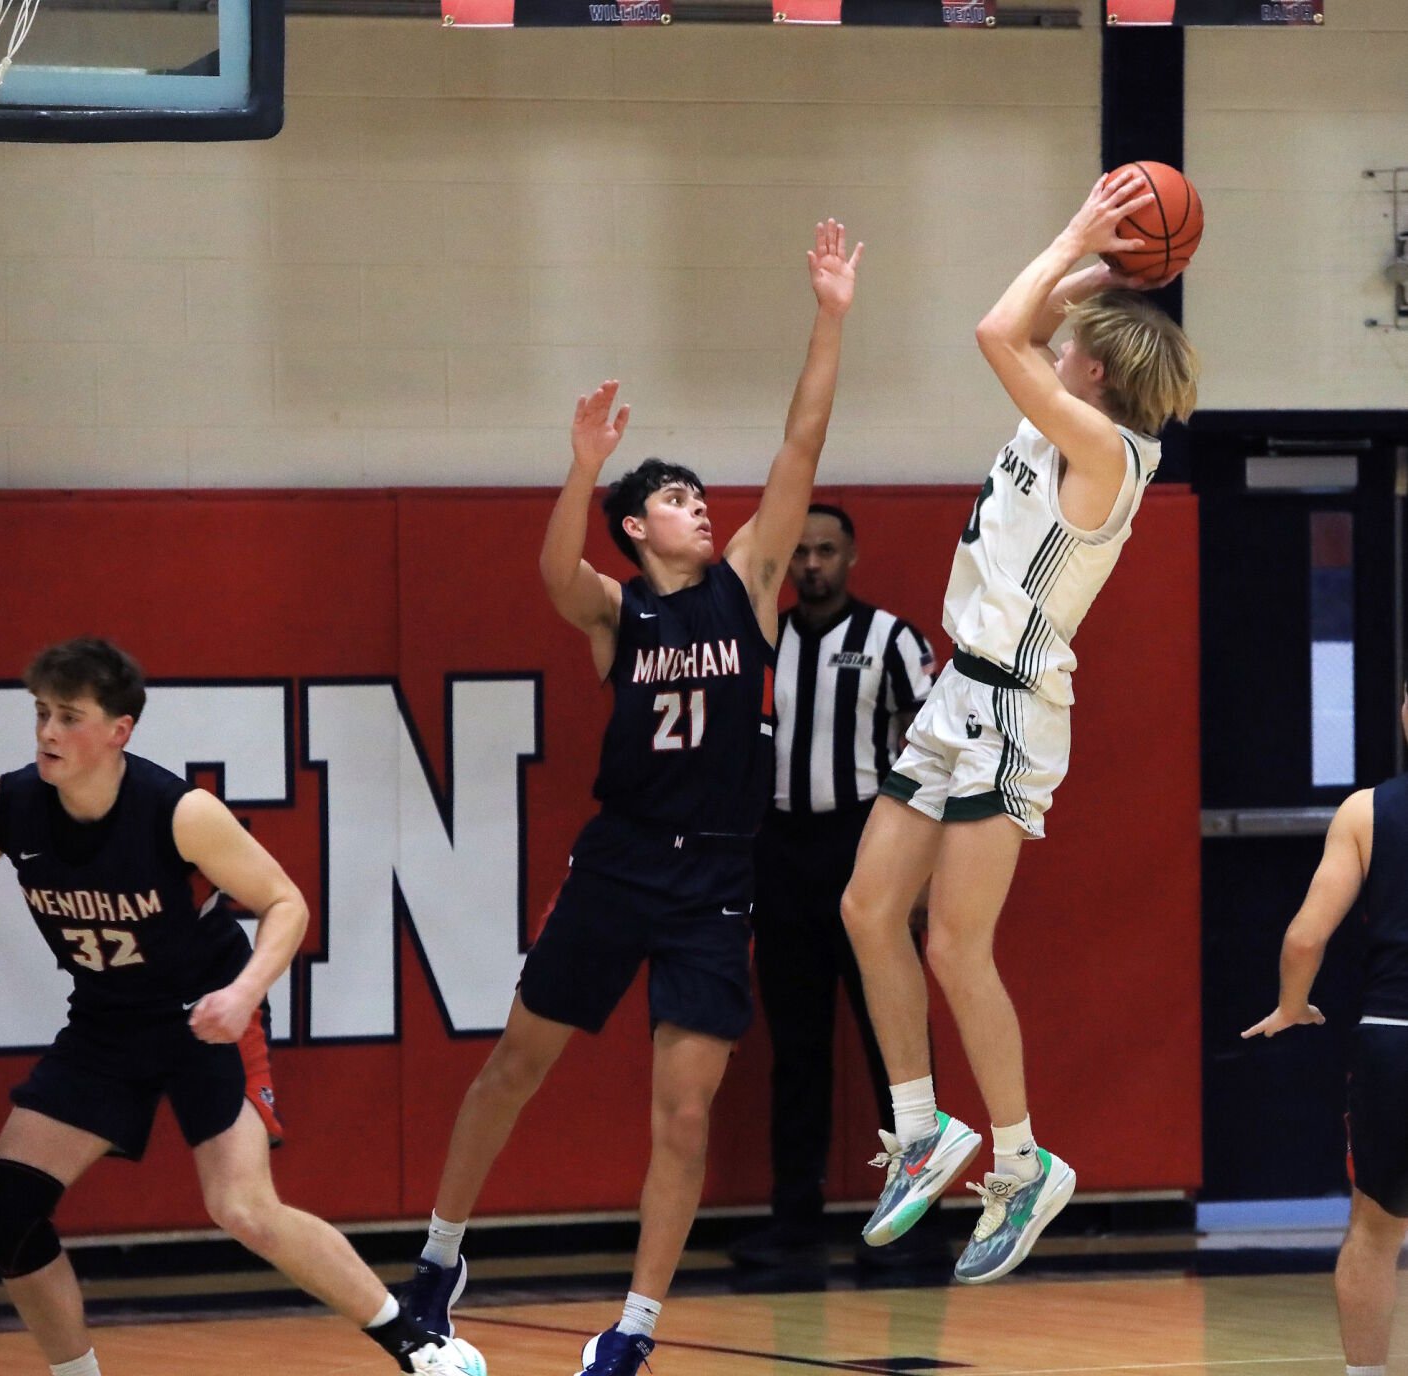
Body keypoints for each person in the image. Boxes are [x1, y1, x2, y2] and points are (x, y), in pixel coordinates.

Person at [401, 219, 862, 1376]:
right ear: (635, 525)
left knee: (684, 1108)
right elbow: (554, 575)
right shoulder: (620, 611)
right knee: (515, 1059)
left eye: (704, 497)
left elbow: (802, 438)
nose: (701, 507)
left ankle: (637, 1324)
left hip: (716, 871)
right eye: (676, 499)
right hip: (618, 861)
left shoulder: (750, 583)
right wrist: (578, 465)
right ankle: (440, 1254)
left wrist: (831, 314)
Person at [0, 638, 457, 1376]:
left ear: (118, 731)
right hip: (106, 1023)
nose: (46, 732)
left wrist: (243, 993)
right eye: (40, 713)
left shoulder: (179, 811)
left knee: (243, 1209)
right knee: (3, 1205)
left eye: (69, 716)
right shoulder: (5, 807)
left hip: (203, 1014)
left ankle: (415, 1341)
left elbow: (285, 900)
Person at [840, 170, 1200, 1284]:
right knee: (864, 907)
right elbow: (1032, 321)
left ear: (1090, 373)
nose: (1053, 348)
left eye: (1073, 345)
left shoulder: (1106, 452)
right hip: (959, 689)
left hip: (1012, 704)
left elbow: (999, 326)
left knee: (955, 941)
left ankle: (1020, 1155)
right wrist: (1113, 264)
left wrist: (1076, 234)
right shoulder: (1063, 405)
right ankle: (919, 1129)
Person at [729, 502, 936, 1268]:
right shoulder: (761, 642)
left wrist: (922, 875)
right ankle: (794, 1221)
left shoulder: (893, 642)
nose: (811, 565)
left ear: (851, 558)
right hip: (780, 852)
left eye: (826, 552)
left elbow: (934, 761)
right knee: (796, 1049)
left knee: (897, 1048)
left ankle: (913, 1225)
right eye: (801, 553)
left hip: (866, 846)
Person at [1243, 688, 1408, 1376]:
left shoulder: (1365, 811)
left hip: (1391, 1036)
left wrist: (1290, 1005)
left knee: (1372, 1231)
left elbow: (1305, 936)